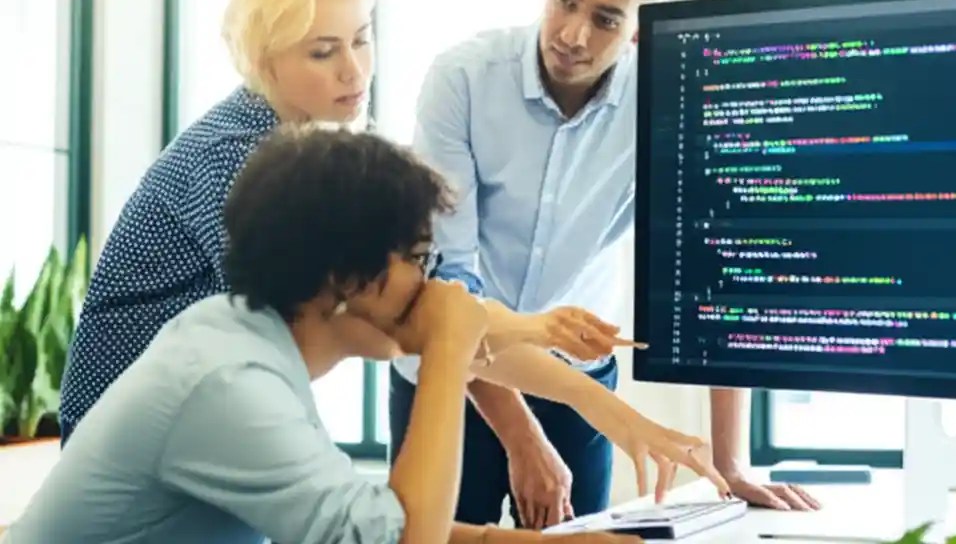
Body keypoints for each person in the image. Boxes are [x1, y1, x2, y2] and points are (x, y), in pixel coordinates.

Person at [3, 126, 656, 543]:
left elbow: (369, 523)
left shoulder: (243, 345)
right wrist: (448, 350)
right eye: (421, 264)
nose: (436, 291)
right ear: (347, 276)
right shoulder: (227, 383)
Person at [390, 0, 821, 530]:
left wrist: (731, 461)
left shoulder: (667, 100)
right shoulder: (461, 79)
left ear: (639, 28)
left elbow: (714, 267)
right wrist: (523, 439)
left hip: (576, 378)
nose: (573, 34)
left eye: (605, 18)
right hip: (449, 377)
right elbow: (449, 286)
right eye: (565, 1)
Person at [58, 0, 380, 441]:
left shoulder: (307, 151)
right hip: (128, 427)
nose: (353, 70)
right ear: (263, 61)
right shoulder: (234, 154)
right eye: (323, 51)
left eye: (361, 39)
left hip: (199, 405)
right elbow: (297, 313)